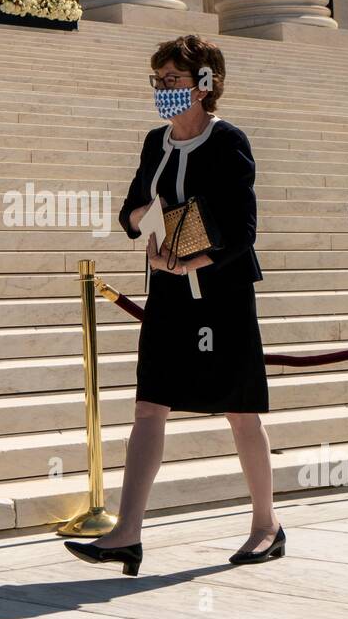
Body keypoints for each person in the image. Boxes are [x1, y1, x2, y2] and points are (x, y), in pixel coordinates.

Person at [65, 35, 283, 576]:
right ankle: (127, 533)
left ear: (205, 84)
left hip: (222, 294)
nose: (162, 90)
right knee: (149, 407)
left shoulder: (228, 141)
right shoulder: (155, 144)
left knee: (240, 410)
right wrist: (150, 219)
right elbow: (129, 212)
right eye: (157, 81)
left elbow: (243, 229)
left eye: (172, 81)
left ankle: (266, 525)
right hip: (166, 293)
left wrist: (193, 260)